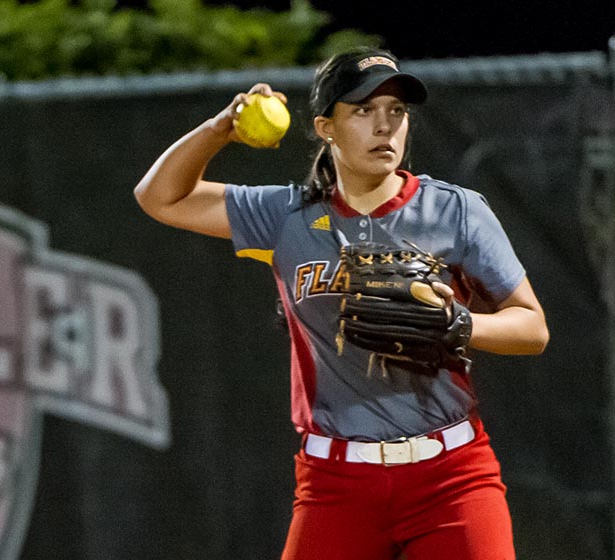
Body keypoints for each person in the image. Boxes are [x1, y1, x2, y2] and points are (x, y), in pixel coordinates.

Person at [134, 47, 549, 560]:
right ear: (326, 127)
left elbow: (532, 328)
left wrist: (459, 324)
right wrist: (221, 129)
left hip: (451, 476)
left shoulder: (455, 211)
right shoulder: (286, 215)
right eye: (364, 111)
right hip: (336, 484)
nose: (385, 127)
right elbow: (159, 197)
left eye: (396, 112)